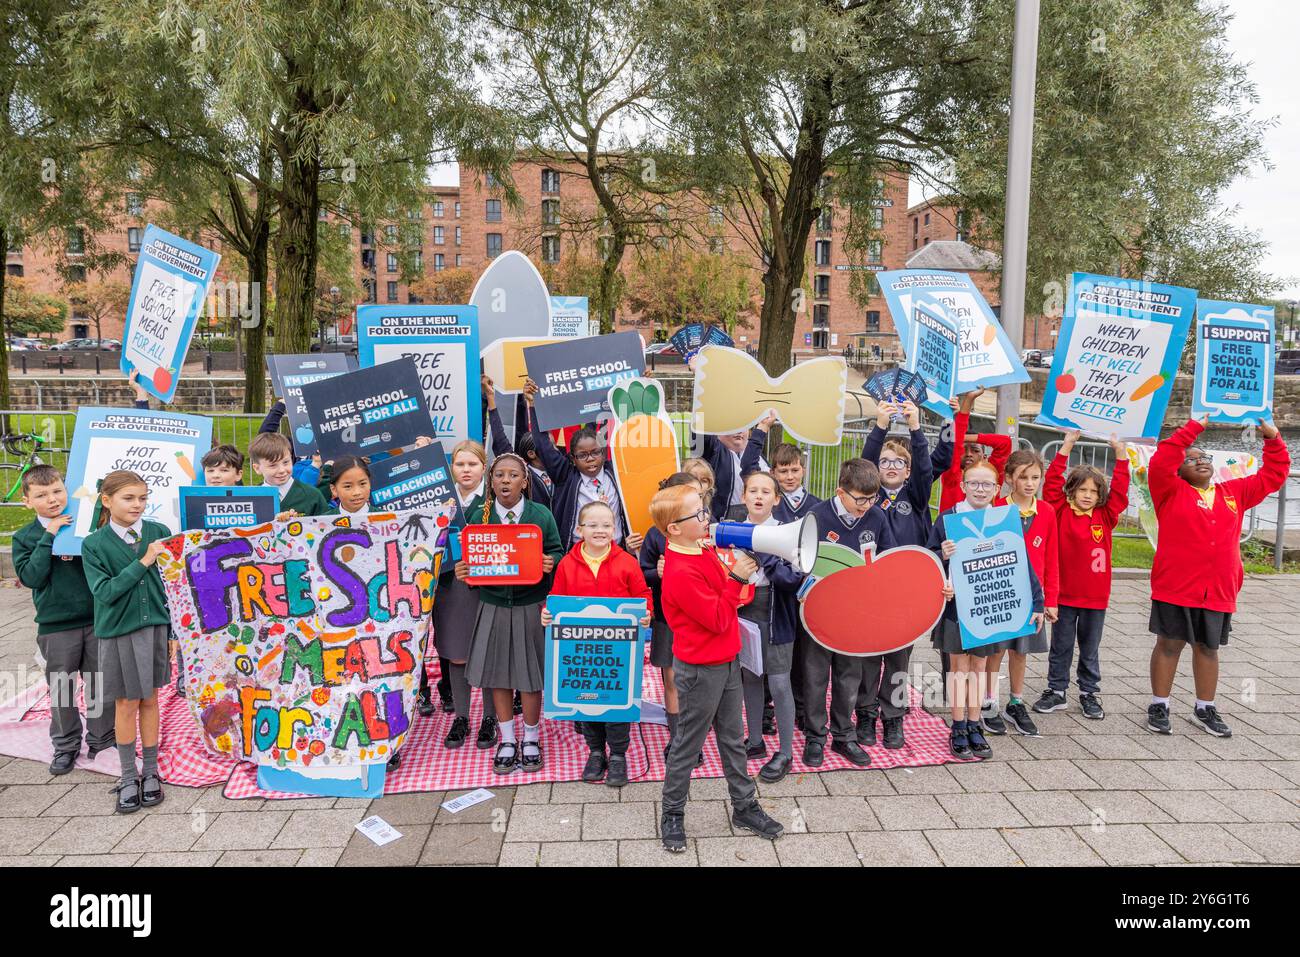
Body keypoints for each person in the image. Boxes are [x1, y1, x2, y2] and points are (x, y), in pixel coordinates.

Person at [653, 483, 783, 853]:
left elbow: (723, 604)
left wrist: (733, 574)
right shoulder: (680, 571)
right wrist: (738, 578)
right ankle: (673, 812)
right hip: (700, 668)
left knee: (732, 738)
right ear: (674, 528)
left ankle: (744, 805)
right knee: (687, 744)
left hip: (726, 660)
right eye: (697, 514)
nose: (705, 517)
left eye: (703, 509)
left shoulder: (701, 548)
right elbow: (714, 616)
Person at [1145, 416, 1289, 738]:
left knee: (1208, 648)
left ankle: (1204, 707)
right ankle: (1159, 704)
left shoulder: (1233, 492)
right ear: (1179, 470)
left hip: (1218, 590)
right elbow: (1163, 458)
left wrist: (1273, 438)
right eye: (1191, 459)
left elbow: (1274, 475)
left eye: (1205, 458)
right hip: (1176, 586)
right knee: (1169, 643)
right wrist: (1194, 426)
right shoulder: (1169, 490)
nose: (1200, 461)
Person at [929, 460, 1044, 760]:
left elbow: (1022, 564)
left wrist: (1038, 602)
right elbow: (926, 559)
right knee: (958, 669)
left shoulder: (1004, 519)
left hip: (987, 606)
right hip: (957, 607)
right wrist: (942, 557)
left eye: (987, 485)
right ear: (964, 486)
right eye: (974, 483)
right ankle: (956, 726)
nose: (980, 489)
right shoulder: (947, 518)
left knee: (980, 667)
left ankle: (973, 722)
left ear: (997, 489)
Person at [460, 452, 564, 773]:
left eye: (513, 475)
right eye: (500, 475)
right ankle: (507, 739)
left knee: (530, 678)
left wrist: (552, 563)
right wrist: (464, 570)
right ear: (490, 481)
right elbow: (469, 556)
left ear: (525, 480)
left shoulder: (541, 515)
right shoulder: (478, 516)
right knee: (499, 677)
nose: (506, 480)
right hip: (492, 606)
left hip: (530, 605)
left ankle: (531, 738)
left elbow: (558, 551)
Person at [80, 470, 173, 813]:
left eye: (143, 498)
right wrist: (144, 561)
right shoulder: (94, 544)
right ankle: (127, 774)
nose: (138, 505)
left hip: (155, 630)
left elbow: (172, 587)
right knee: (125, 703)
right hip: (119, 632)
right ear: (107, 501)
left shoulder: (159, 532)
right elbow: (104, 592)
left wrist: (174, 631)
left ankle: (151, 771)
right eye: (129, 498)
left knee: (150, 698)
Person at [544, 501, 653, 788]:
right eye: (592, 525)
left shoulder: (627, 562)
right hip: (580, 653)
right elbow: (557, 599)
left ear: (615, 529)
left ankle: (618, 755)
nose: (600, 530)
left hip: (618, 652)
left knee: (617, 703)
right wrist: (548, 613)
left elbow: (642, 595)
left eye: (606, 525)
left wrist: (646, 614)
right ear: (580, 529)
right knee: (585, 701)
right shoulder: (567, 564)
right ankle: (595, 752)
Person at [13, 465, 114, 775]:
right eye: (42, 495)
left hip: (95, 619)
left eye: (57, 491)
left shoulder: (86, 525)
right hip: (56, 624)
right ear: (27, 501)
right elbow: (31, 576)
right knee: (62, 688)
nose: (53, 499)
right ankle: (65, 744)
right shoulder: (25, 536)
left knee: (98, 685)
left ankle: (101, 739)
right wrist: (49, 537)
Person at [802, 459, 893, 768]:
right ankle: (815, 737)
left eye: (872, 498)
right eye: (860, 499)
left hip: (856, 613)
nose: (866, 505)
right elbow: (802, 561)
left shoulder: (877, 517)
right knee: (816, 676)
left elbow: (885, 560)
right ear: (841, 492)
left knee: (849, 676)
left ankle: (844, 735)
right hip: (821, 610)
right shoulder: (816, 516)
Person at [1035, 431, 1130, 719]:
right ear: (1072, 491)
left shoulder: (1106, 515)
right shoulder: (1060, 510)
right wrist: (1067, 446)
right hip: (1064, 596)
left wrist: (1120, 453)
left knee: (1090, 647)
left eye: (1094, 492)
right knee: (1061, 645)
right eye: (1083, 490)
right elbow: (1051, 483)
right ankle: (1057, 690)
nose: (1088, 496)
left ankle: (1089, 692)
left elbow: (1122, 490)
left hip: (1095, 597)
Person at [858, 398, 933, 748]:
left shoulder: (915, 497)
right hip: (872, 590)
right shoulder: (869, 499)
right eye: (884, 461)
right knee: (868, 655)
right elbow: (863, 462)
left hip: (904, 591)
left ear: (906, 470)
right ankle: (866, 714)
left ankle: (893, 717)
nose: (890, 466)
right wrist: (880, 426)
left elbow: (925, 471)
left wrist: (915, 427)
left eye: (898, 463)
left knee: (898, 658)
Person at [978, 449, 1059, 736]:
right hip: (1001, 593)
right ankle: (988, 701)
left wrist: (1052, 599)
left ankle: (1016, 701)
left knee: (1021, 651)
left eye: (1035, 477)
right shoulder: (996, 508)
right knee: (996, 650)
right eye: (1023, 477)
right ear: (1010, 478)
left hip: (1032, 598)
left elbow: (1052, 557)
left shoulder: (1047, 512)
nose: (1029, 483)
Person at [426, 439, 500, 748]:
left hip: (487, 591)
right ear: (451, 468)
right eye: (460, 464)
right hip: (449, 586)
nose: (466, 470)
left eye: (472, 464)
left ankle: (490, 717)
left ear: (483, 467)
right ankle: (463, 716)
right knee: (456, 655)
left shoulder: (494, 501)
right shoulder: (440, 500)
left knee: (488, 655)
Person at [734, 470, 803, 782]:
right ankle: (756, 741)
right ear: (743, 497)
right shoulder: (734, 530)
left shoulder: (786, 531)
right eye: (753, 491)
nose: (758, 496)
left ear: (776, 499)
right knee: (750, 676)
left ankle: (785, 752)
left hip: (777, 618)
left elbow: (792, 579)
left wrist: (766, 554)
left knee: (778, 682)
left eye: (765, 492)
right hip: (745, 612)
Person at [639, 471, 708, 764]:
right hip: (668, 618)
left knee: (698, 681)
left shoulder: (709, 532)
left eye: (697, 497)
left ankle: (696, 739)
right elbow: (642, 573)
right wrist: (658, 573)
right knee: (672, 679)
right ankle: (678, 738)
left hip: (699, 618)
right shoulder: (656, 534)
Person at [523, 377, 637, 553]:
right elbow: (543, 445)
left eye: (595, 452)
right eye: (582, 455)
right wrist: (532, 405)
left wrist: (641, 385)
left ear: (603, 452)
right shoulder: (566, 476)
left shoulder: (616, 473)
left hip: (616, 553)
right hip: (578, 555)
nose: (590, 459)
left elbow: (633, 428)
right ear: (572, 458)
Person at [933, 388, 1013, 513]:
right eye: (964, 450)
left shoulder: (992, 473)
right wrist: (968, 400)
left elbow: (1005, 443)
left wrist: (964, 437)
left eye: (975, 450)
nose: (969, 454)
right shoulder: (952, 475)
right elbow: (955, 447)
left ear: (984, 456)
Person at [483, 374, 553, 508]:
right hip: (533, 526)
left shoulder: (560, 472)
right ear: (532, 453)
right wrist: (491, 397)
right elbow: (500, 440)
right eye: (550, 446)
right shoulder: (524, 474)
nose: (554, 450)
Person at [250, 433, 328, 518]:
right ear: (257, 468)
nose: (282, 470)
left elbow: (326, 527)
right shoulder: (250, 498)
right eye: (273, 465)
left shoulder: (312, 496)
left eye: (286, 462)